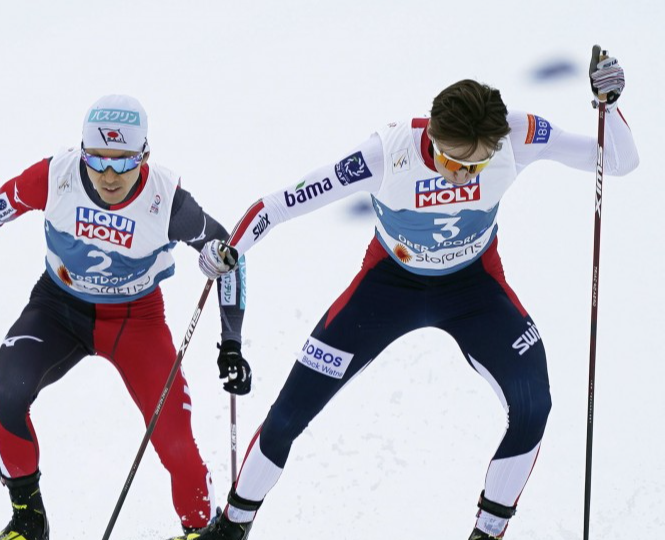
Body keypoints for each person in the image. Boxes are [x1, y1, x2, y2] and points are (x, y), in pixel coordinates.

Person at [186, 49, 637, 540]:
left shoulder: (517, 134)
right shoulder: (388, 153)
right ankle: (231, 528)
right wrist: (229, 250)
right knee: (289, 412)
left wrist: (609, 107)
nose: (461, 177)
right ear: (432, 139)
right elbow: (280, 204)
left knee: (534, 406)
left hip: (474, 287)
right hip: (388, 287)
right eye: (450, 161)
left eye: (478, 166)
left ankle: (488, 531)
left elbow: (617, 161)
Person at [0, 94, 252, 540]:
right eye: (98, 161)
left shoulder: (168, 200)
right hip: (58, 309)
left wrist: (231, 342)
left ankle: (199, 531)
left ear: (145, 157)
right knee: (6, 396)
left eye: (124, 162)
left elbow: (229, 254)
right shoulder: (56, 176)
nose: (109, 175)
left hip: (136, 321)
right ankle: (29, 522)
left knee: (176, 441)